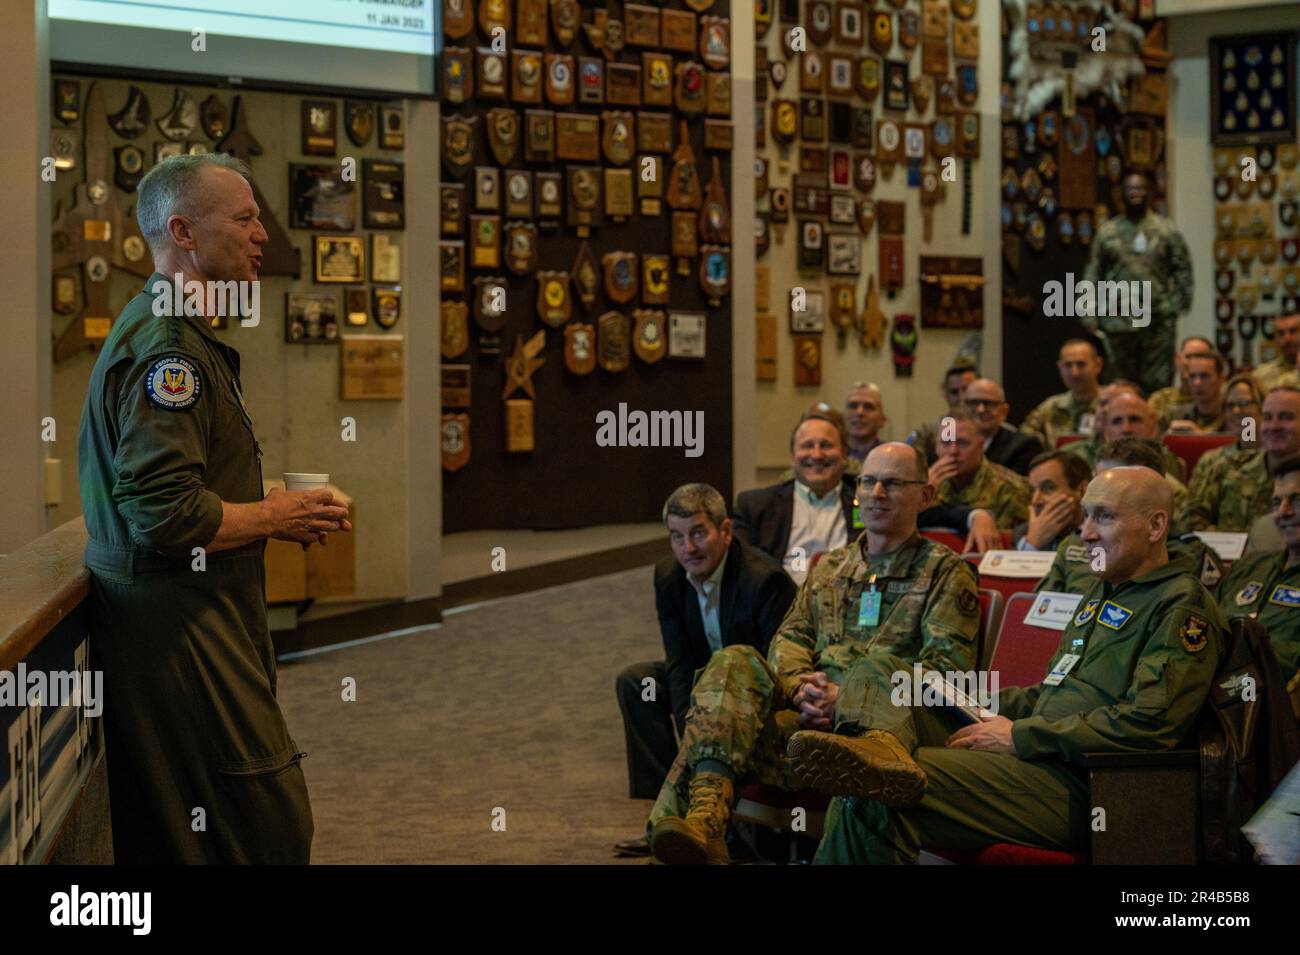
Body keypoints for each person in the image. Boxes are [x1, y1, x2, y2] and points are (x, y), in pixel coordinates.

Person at [76, 154, 350, 863]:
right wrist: (275, 516)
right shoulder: (170, 351)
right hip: (180, 629)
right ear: (183, 232)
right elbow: (164, 513)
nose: (264, 235)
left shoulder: (170, 330)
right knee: (262, 824)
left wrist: (269, 508)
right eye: (246, 217)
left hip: (187, 619)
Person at [787, 466, 1225, 864]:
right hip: (1038, 752)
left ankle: (878, 760)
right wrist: (969, 696)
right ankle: (877, 743)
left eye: (1103, 517)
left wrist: (1020, 734)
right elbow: (1049, 694)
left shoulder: (1180, 606)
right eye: (1085, 516)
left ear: (1156, 525)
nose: (1086, 533)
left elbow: (1149, 726)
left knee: (871, 792)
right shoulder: (1102, 593)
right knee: (886, 670)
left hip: (1089, 783)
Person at [646, 443, 981, 864]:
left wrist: (847, 697)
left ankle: (690, 833)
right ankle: (707, 819)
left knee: (717, 727)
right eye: (868, 481)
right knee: (733, 662)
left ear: (926, 497)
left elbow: (944, 676)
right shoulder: (831, 566)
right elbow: (790, 638)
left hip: (873, 743)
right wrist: (800, 686)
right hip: (804, 728)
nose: (877, 493)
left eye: (893, 483)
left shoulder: (946, 573)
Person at [613, 484, 796, 856]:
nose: (688, 549)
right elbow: (678, 660)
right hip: (701, 679)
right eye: (676, 537)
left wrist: (711, 722)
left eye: (698, 532)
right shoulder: (668, 575)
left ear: (725, 530)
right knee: (637, 682)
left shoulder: (765, 580)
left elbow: (777, 669)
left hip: (748, 687)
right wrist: (689, 723)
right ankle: (668, 811)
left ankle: (708, 817)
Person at [738, 410, 1002, 578]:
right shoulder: (756, 505)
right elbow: (742, 571)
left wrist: (975, 516)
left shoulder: (870, 495)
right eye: (807, 446)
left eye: (826, 446)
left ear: (844, 455)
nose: (816, 455)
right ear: (793, 455)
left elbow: (926, 508)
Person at [1037, 439, 1223, 594]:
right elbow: (1036, 612)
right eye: (1098, 480)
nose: (1100, 491)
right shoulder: (1075, 543)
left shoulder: (1191, 555)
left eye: (1115, 484)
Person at [1081, 171, 1194, 396]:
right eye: (1130, 189)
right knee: (1119, 387)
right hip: (1117, 323)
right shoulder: (1107, 232)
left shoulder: (1166, 231)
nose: (1135, 194)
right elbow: (1094, 272)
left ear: (1151, 193)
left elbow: (1183, 270)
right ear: (1121, 194)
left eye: (1141, 189)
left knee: (1158, 387)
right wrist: (1089, 313)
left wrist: (1175, 306)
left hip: (1157, 322)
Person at [1215, 458, 1300, 684]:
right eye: (1276, 502)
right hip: (1214, 693)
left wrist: (1249, 641)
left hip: (1278, 705)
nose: (1283, 513)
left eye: (1297, 500)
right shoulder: (1249, 566)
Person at [1183, 386, 1300, 532]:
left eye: (1285, 417)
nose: (1274, 426)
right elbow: (1190, 521)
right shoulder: (1228, 467)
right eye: (1268, 418)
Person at [929, 411, 1031, 530]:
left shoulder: (1010, 489)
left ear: (981, 445)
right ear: (936, 447)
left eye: (962, 443)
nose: (953, 451)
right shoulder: (927, 484)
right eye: (946, 443)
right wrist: (922, 495)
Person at [1072, 389, 1189, 485]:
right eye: (1117, 421)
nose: (1126, 429)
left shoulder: (1165, 461)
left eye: (1134, 420)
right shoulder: (1080, 458)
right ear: (1106, 430)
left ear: (1153, 425)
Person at [1020, 339, 1104, 450]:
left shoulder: (1114, 403)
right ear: (1060, 367)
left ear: (1097, 365)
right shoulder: (1050, 407)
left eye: (1081, 364)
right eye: (1068, 365)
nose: (1075, 373)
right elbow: (1022, 437)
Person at [1012, 450, 1092, 552]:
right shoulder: (1024, 534)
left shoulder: (1106, 535)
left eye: (1049, 488)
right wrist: (1032, 545)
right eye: (1032, 490)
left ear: (1082, 491)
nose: (1036, 500)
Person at [962, 377, 1044, 475]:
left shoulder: (1024, 446)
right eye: (974, 403)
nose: (981, 410)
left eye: (989, 404)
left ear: (1004, 411)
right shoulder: (950, 444)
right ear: (963, 408)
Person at [907, 362, 978, 464]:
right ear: (946, 395)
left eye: (966, 390)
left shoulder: (1002, 435)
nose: (961, 397)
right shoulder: (926, 436)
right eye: (954, 392)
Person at [1149, 336, 1215, 425]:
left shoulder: (1225, 398)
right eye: (1189, 357)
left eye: (1201, 357)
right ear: (1178, 360)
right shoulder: (1161, 401)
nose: (1194, 362)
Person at [1166, 351, 1227, 434]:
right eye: (1192, 376)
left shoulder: (1233, 417)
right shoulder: (1177, 416)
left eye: (1204, 376)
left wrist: (1200, 439)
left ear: (1221, 379)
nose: (1197, 383)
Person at [1252, 311, 1300, 395]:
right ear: (1275, 337)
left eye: (1293, 331)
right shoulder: (1261, 375)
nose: (1287, 338)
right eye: (1281, 333)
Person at [844, 382, 887, 465]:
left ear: (882, 420)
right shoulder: (830, 456)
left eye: (868, 407)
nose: (859, 412)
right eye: (853, 406)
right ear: (843, 417)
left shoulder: (889, 457)